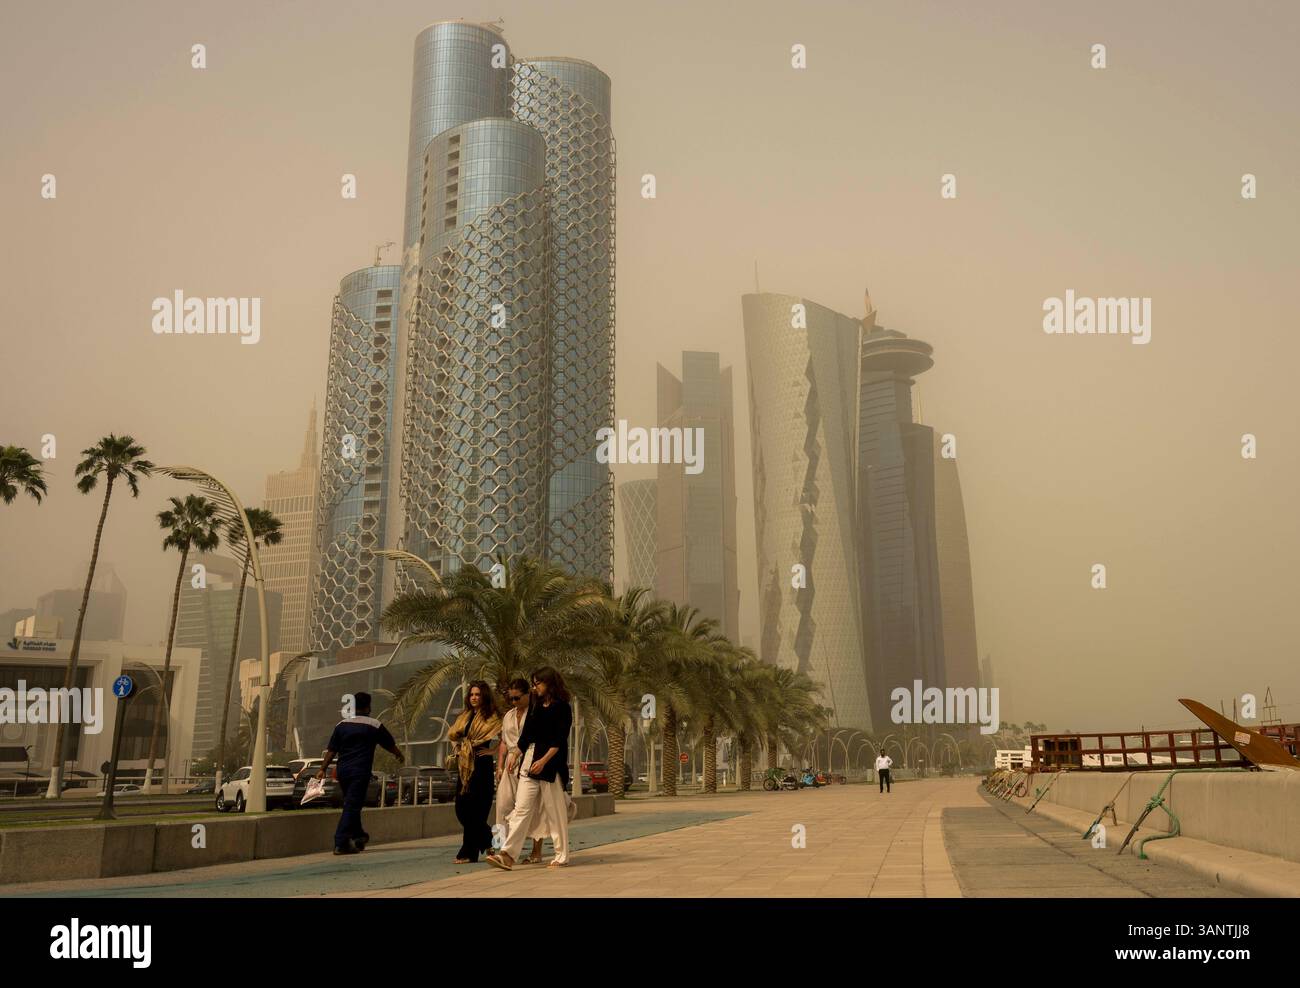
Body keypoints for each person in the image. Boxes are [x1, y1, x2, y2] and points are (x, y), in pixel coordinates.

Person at [487, 666, 572, 871]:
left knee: (554, 811)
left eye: (538, 683)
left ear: (549, 683)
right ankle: (507, 855)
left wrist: (544, 761)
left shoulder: (562, 707)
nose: (535, 688)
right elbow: (528, 734)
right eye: (533, 684)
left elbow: (559, 739)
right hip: (529, 763)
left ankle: (562, 855)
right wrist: (516, 753)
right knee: (521, 809)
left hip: (550, 764)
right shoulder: (536, 705)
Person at [319, 692, 404, 855]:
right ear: (368, 707)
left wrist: (322, 768)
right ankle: (341, 842)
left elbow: (332, 750)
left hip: (342, 771)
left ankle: (359, 836)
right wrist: (398, 754)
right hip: (360, 771)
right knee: (352, 805)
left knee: (352, 803)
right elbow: (389, 743)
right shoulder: (374, 725)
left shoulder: (341, 725)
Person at [447, 680, 502, 863]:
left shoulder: (492, 716)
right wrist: (457, 749)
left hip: (482, 764)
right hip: (465, 765)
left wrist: (493, 751)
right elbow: (453, 735)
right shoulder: (465, 715)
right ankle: (489, 842)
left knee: (478, 811)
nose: (474, 698)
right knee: (462, 809)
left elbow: (507, 737)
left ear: (484, 695)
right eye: (471, 694)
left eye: (477, 694)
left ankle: (468, 852)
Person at [495, 678, 547, 864]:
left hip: (529, 762)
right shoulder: (508, 716)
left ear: (527, 694)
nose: (514, 702)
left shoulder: (535, 713)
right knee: (502, 807)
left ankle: (536, 851)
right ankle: (499, 847)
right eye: (511, 699)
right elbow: (503, 741)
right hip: (510, 765)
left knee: (534, 808)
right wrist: (499, 766)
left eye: (517, 698)